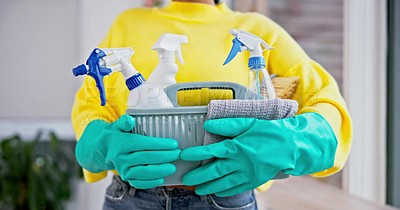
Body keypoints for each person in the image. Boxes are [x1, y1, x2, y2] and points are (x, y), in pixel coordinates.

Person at [72, 0, 352, 209]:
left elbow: (326, 104)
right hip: (132, 198)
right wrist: (101, 145)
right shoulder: (129, 24)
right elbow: (92, 107)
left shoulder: (257, 30)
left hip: (225, 198)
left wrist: (292, 142)